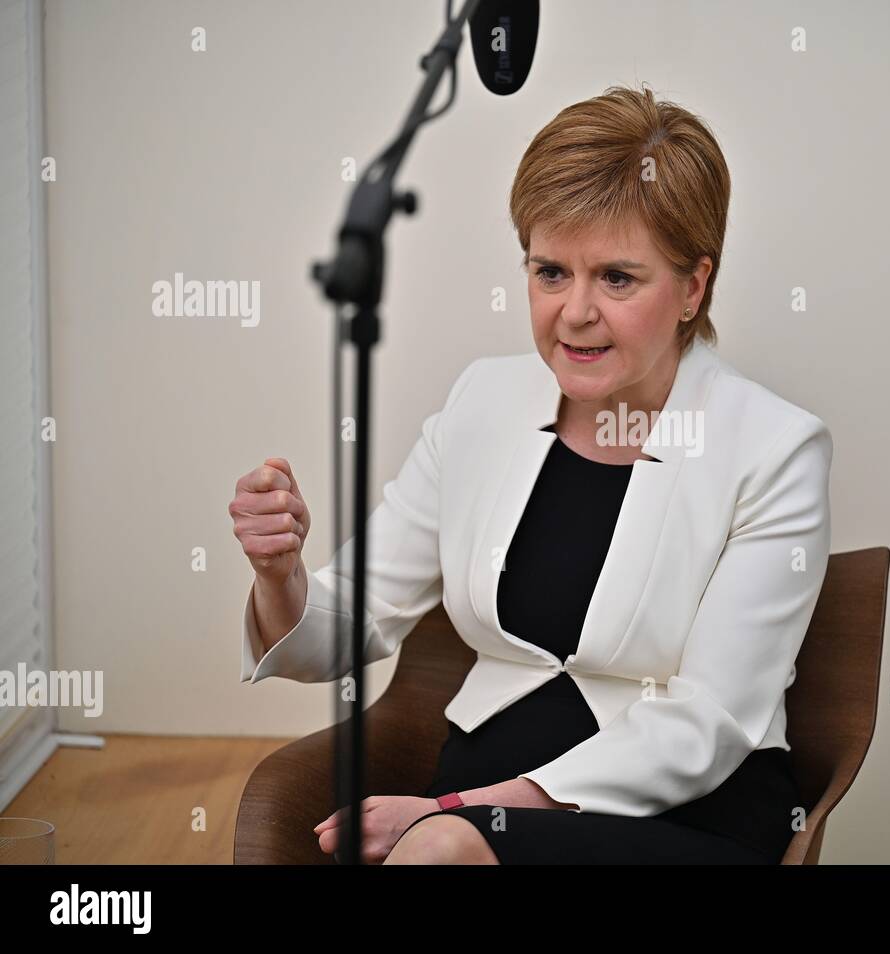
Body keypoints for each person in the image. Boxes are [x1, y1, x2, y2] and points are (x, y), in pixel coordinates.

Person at [229, 84, 832, 864]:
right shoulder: (483, 400)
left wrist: (455, 813)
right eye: (551, 272)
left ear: (693, 287)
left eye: (617, 277)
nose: (574, 311)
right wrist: (280, 576)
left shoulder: (775, 447)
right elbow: (347, 621)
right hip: (472, 795)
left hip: (691, 816)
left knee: (439, 854)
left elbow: (709, 720)